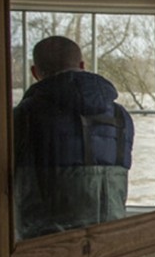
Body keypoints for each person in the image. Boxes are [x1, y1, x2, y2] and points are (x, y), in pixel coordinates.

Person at [13, 34, 135, 239]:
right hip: (112, 246)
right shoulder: (121, 117)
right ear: (82, 65)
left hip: (45, 253)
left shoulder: (24, 116)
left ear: (35, 72)